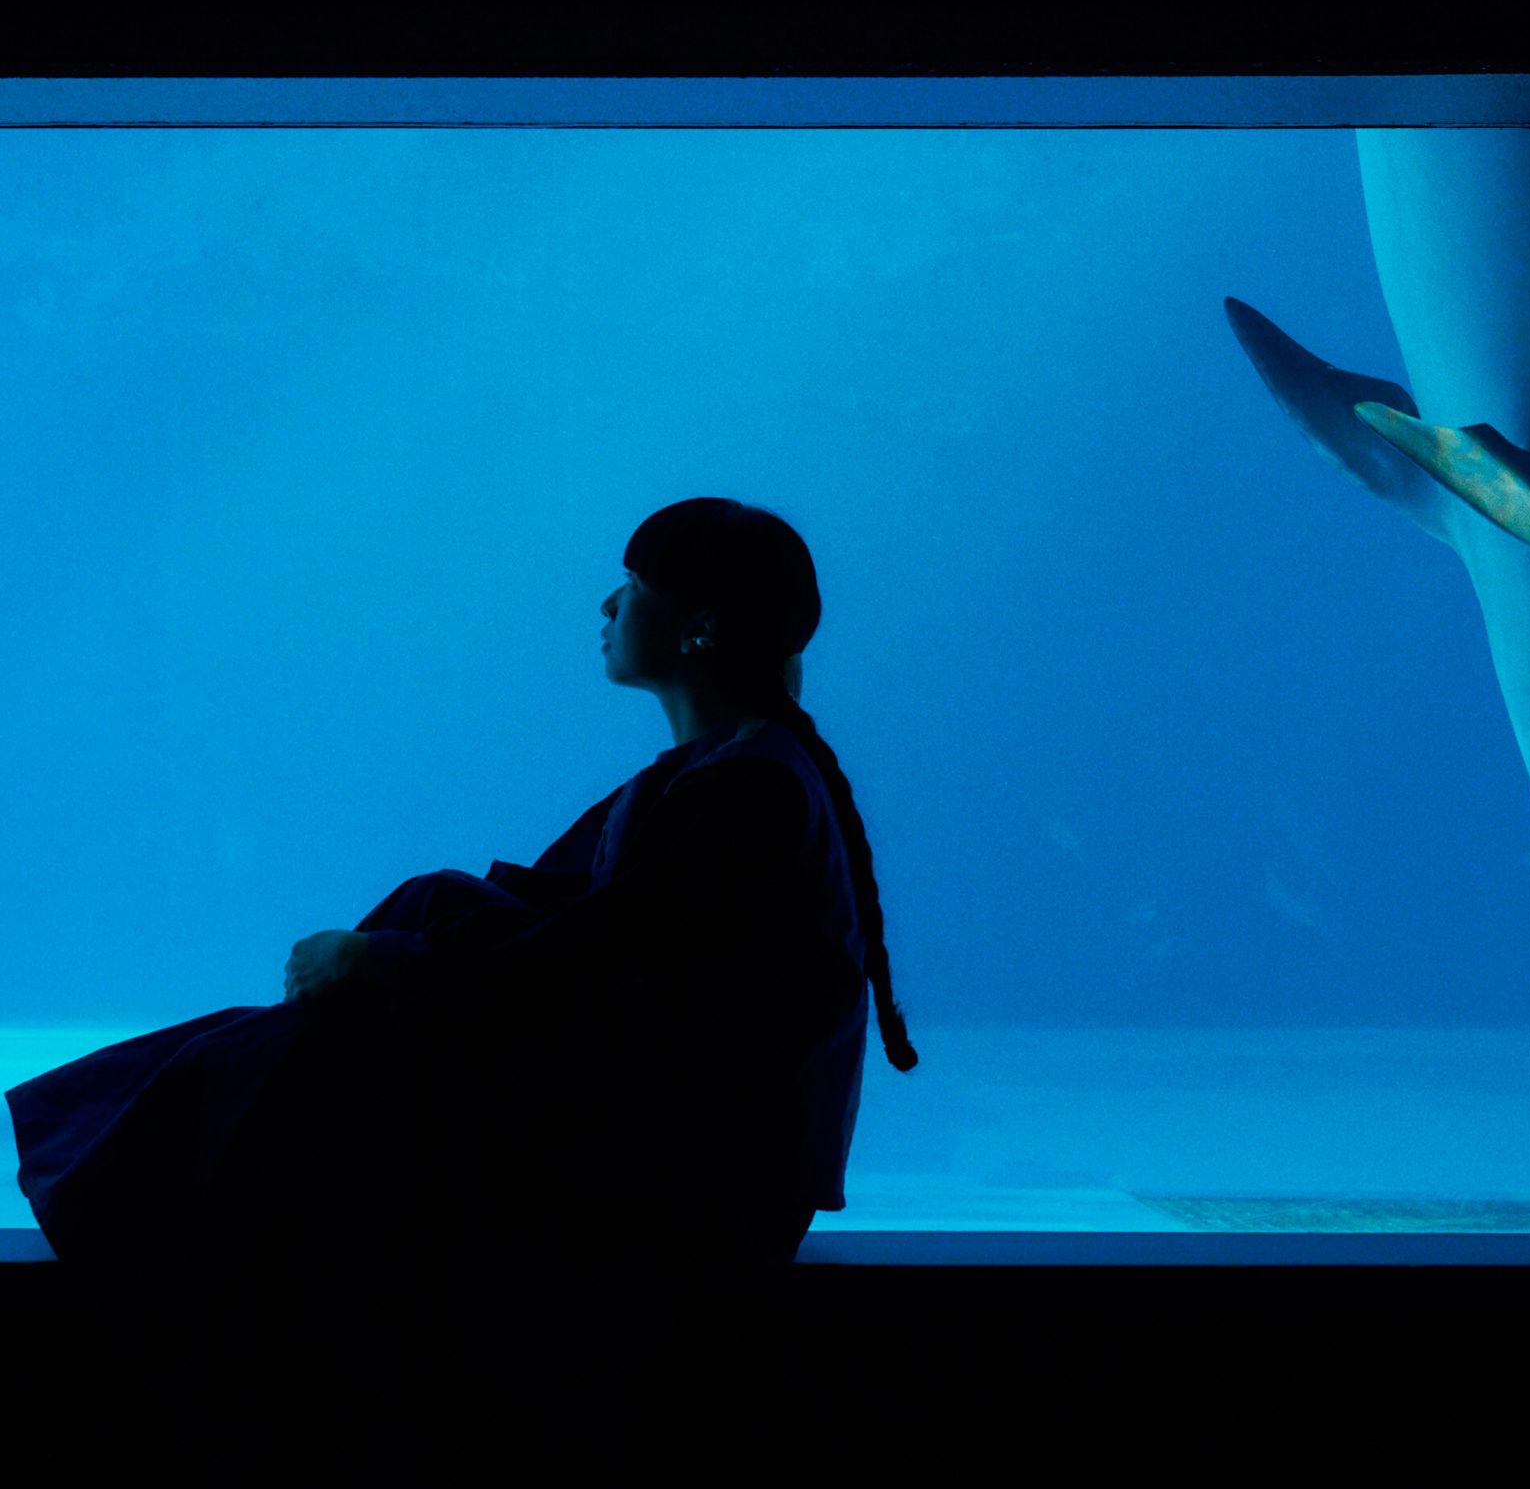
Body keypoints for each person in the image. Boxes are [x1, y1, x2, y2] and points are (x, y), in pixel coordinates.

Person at [5, 497, 918, 1485]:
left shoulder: (744, 789)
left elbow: (581, 972)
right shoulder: (725, 770)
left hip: (684, 1187)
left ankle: (151, 1297)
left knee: (304, 1055)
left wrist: (365, 963)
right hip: (674, 1143)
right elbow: (562, 921)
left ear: (698, 626)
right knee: (416, 918)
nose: (608, 603)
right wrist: (391, 945)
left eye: (637, 588)